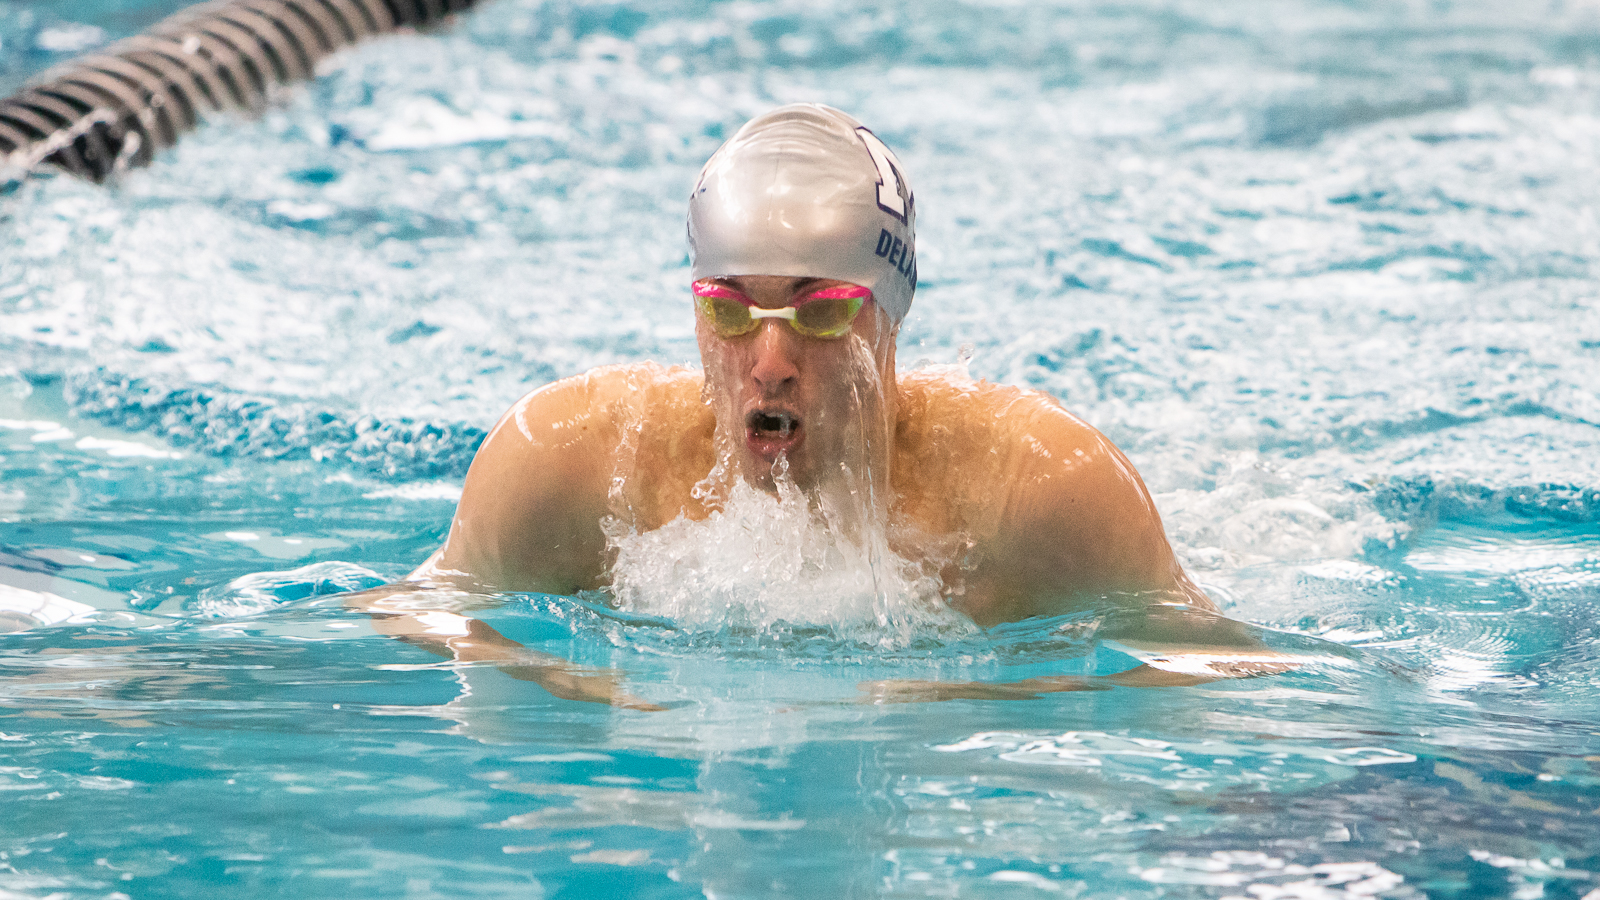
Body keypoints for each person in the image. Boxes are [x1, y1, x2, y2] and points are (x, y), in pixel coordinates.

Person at [349, 103, 1300, 707]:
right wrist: (577, 684)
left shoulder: (1038, 492)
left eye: (820, 310)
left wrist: (1002, 698)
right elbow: (415, 615)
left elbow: (1227, 674)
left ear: (886, 316)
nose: (768, 364)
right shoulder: (569, 460)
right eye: (729, 309)